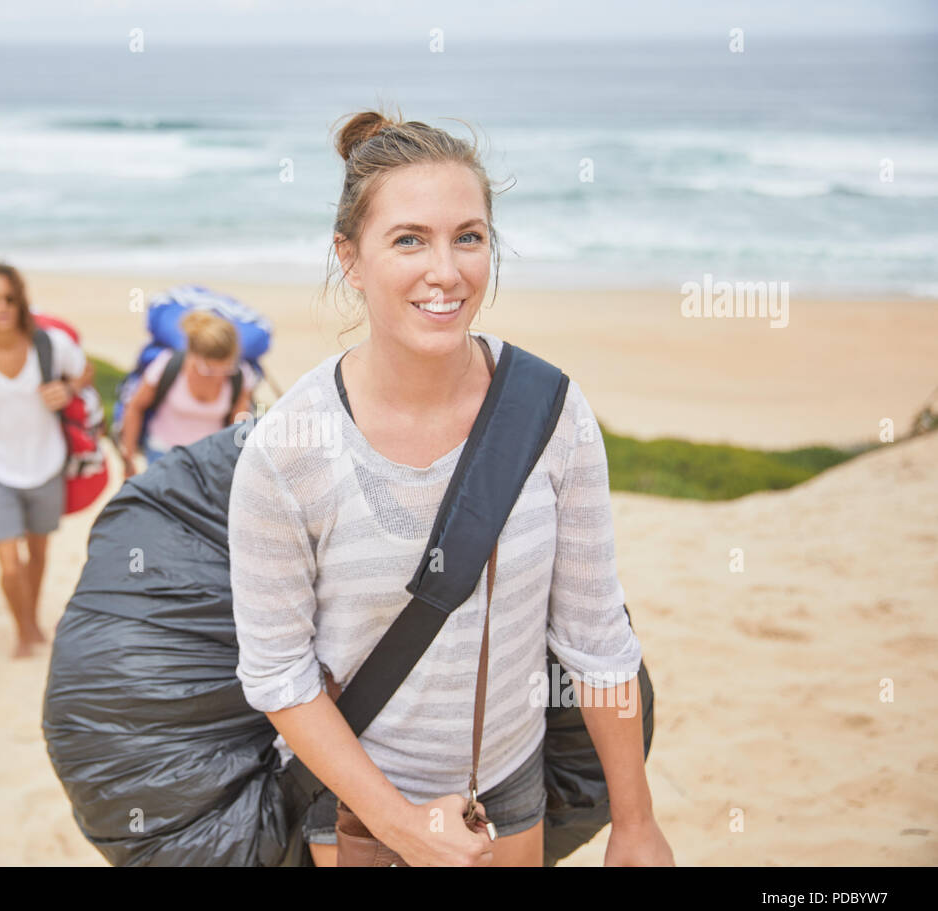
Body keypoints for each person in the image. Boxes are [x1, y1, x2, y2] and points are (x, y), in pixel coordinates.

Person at [227, 110, 674, 867]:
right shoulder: (286, 451)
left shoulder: (552, 415)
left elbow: (596, 639)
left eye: (468, 236)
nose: (447, 271)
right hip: (357, 810)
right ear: (351, 258)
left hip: (507, 790)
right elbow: (278, 676)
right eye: (409, 239)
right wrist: (401, 825)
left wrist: (634, 823)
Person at [0, 263, 91, 658]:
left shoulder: (51, 344)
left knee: (39, 554)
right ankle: (23, 629)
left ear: (20, 300)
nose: (1, 307)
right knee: (9, 567)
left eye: (8, 298)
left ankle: (33, 621)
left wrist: (68, 387)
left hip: (47, 465)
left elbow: (84, 370)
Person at [117, 310, 255, 477]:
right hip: (162, 454)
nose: (219, 376)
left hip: (211, 461)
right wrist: (129, 456)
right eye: (209, 369)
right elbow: (135, 407)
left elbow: (238, 426)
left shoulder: (241, 376)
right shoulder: (166, 365)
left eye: (226, 368)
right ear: (193, 355)